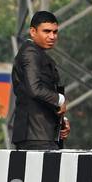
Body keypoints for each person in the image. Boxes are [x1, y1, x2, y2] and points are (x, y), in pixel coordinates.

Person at [10, 10, 70, 150]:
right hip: (35, 136)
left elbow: (41, 95)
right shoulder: (30, 53)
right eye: (46, 31)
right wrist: (60, 100)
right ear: (33, 31)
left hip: (41, 134)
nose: (52, 36)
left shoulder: (37, 54)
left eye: (55, 32)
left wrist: (61, 120)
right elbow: (34, 89)